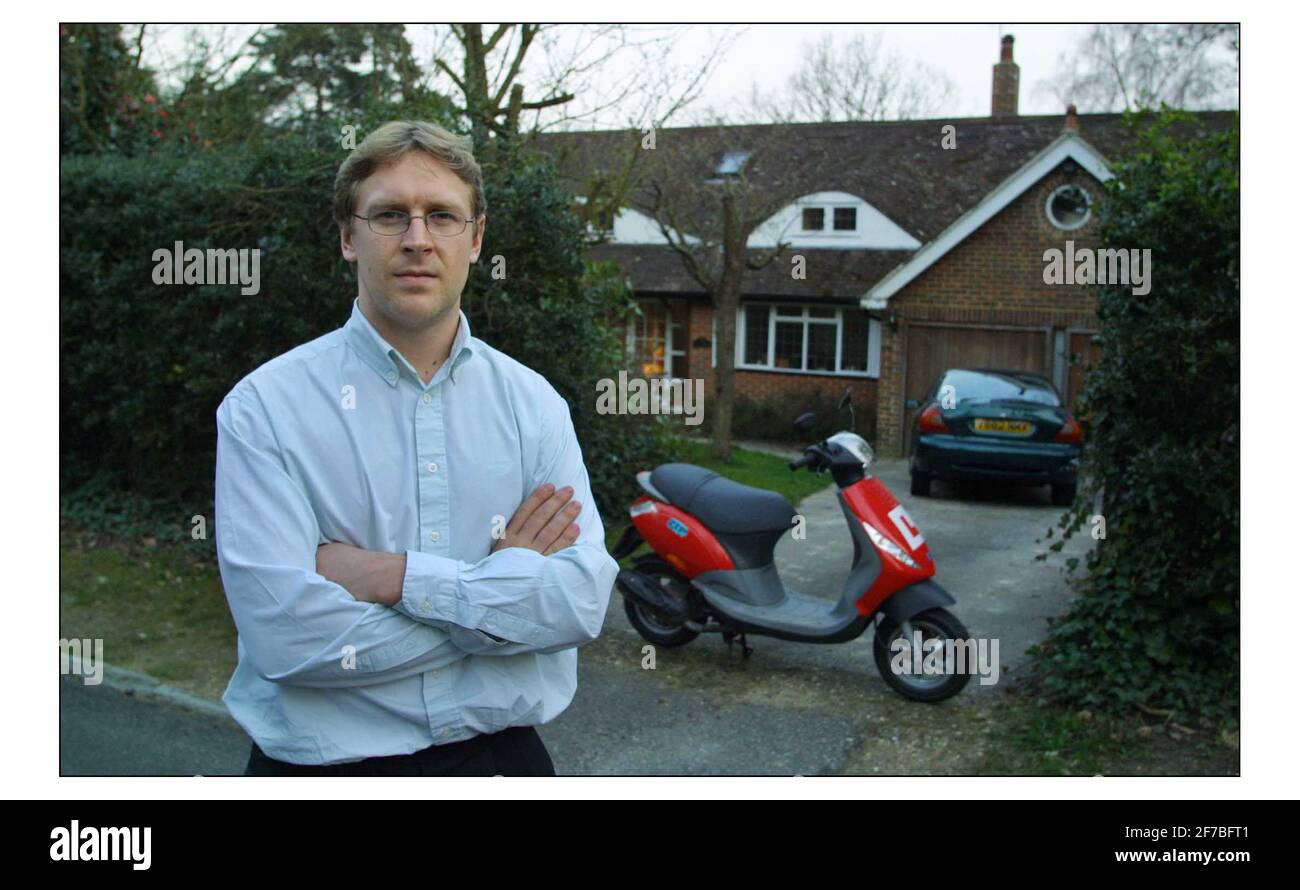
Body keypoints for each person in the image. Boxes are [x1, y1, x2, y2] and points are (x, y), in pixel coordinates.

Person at [213, 120, 618, 776]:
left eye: (442, 216)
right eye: (390, 215)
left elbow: (578, 603)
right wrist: (504, 605)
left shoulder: (535, 404)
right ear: (349, 237)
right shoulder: (265, 410)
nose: (418, 239)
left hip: (505, 765)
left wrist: (390, 576)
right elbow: (284, 638)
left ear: (476, 238)